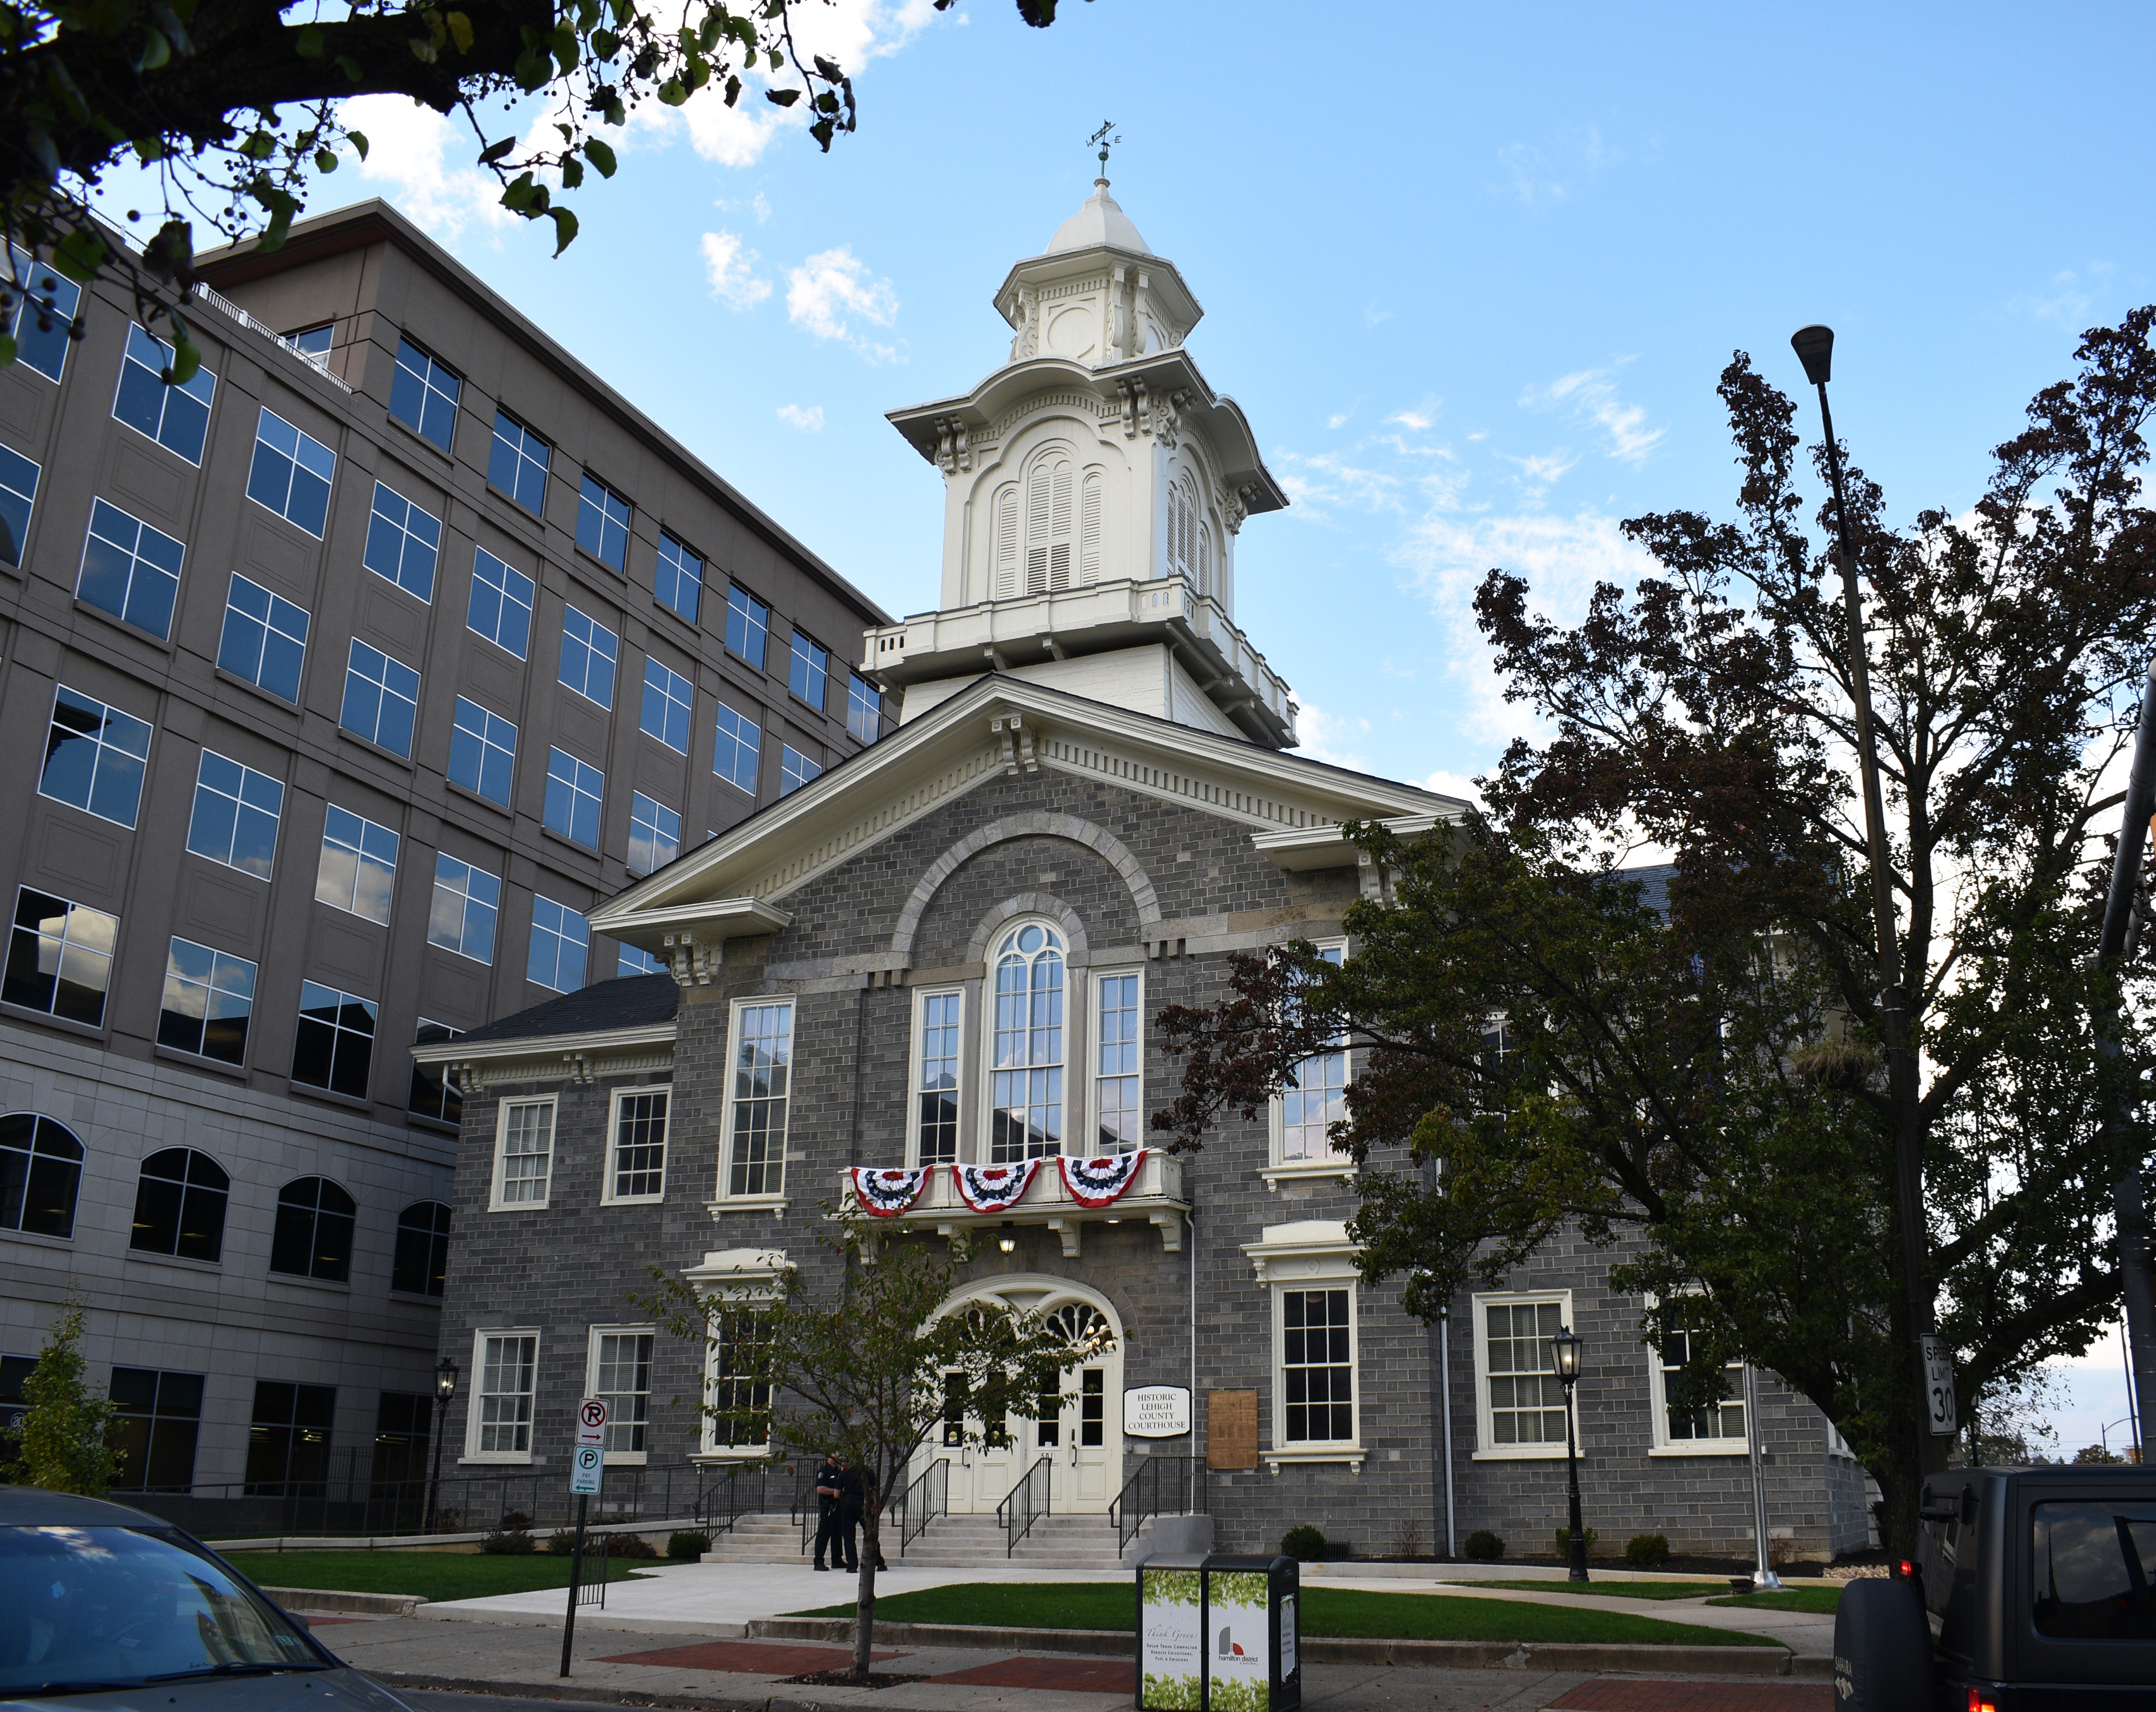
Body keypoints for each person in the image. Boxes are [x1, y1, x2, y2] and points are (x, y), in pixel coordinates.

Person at [811, 1450, 846, 1571]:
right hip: (828, 1507)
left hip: (839, 1506)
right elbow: (820, 1489)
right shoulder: (823, 1471)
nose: (837, 1456)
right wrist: (835, 1491)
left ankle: (837, 1559)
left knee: (838, 1533)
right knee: (824, 1533)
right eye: (834, 1453)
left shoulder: (840, 1472)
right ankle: (819, 1561)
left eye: (839, 1454)